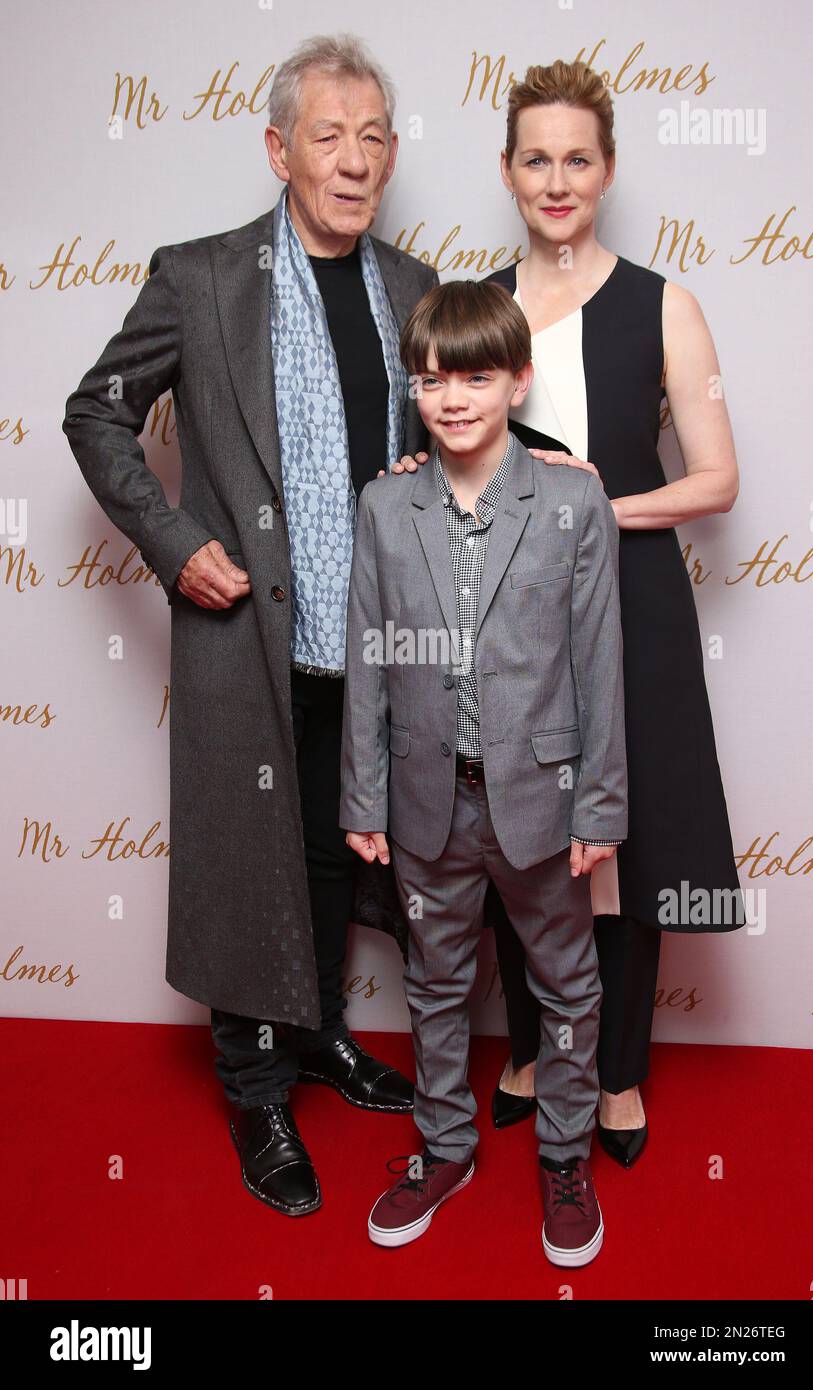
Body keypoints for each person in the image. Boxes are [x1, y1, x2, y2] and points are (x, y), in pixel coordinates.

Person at [61, 33, 440, 1218]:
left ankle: (322, 1032)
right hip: (245, 640)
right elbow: (96, 413)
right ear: (278, 148)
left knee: (338, 849)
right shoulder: (201, 275)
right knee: (243, 859)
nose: (356, 158)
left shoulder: (418, 289)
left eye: (374, 135)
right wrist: (176, 547)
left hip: (375, 646)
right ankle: (254, 1086)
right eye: (329, 134)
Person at [480, 59, 746, 1161]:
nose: (556, 178)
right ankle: (538, 1050)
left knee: (624, 833)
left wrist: (598, 501)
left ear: (608, 168)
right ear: (506, 172)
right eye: (534, 158)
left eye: (576, 158)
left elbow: (718, 481)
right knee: (511, 824)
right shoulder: (476, 307)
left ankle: (620, 1073)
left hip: (631, 598)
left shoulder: (664, 302)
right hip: (501, 607)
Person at [340, 279, 627, 1265]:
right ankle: (445, 1148)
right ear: (412, 389)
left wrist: (599, 802)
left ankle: (562, 1159)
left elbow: (597, 660)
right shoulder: (385, 503)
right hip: (426, 801)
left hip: (543, 803)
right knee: (433, 984)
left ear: (517, 379)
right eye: (430, 379)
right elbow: (371, 654)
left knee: (567, 986)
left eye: (474, 376)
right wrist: (363, 794)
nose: (452, 398)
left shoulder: (571, 496)